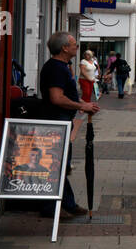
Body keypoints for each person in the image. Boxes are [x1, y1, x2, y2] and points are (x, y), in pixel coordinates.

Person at [38, 32, 96, 218]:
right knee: (59, 164)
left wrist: (83, 105)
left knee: (60, 164)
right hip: (56, 120)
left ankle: (63, 204)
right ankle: (57, 206)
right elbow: (56, 98)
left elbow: (67, 95)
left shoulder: (62, 66)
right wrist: (81, 105)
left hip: (61, 119)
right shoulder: (56, 68)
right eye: (73, 44)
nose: (76, 46)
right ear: (64, 48)